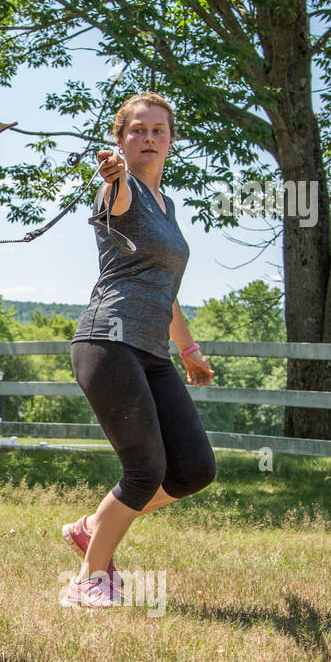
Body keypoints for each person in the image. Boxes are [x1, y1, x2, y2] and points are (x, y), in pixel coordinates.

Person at [61, 92, 217, 608]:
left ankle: (92, 527)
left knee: (193, 469)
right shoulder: (118, 190)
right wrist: (113, 174)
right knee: (145, 469)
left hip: (152, 351)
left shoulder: (168, 207)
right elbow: (115, 188)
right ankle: (89, 577)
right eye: (137, 130)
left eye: (158, 131)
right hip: (107, 342)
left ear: (171, 141)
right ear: (120, 139)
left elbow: (166, 290)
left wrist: (189, 349)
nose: (148, 138)